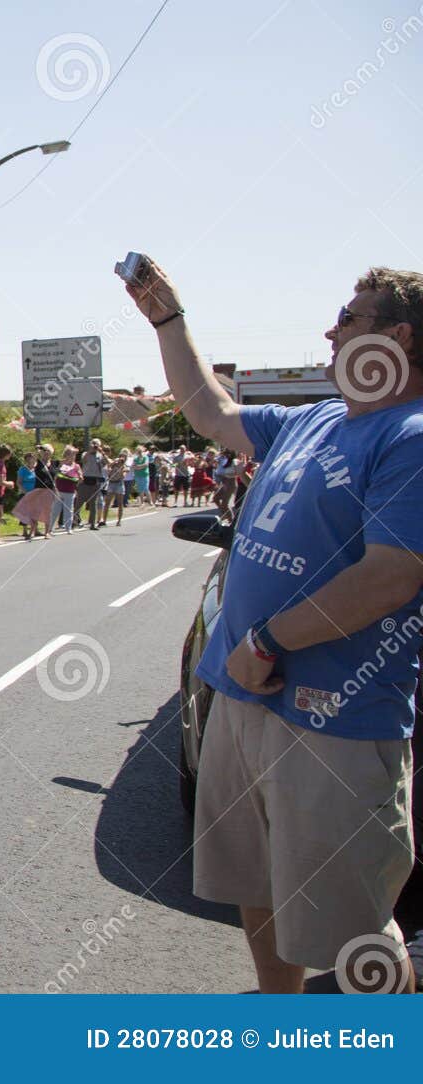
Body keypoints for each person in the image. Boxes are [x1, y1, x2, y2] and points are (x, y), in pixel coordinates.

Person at [127, 257, 423, 994]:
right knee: (257, 884)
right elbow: (211, 412)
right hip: (244, 700)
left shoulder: (410, 436)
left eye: (349, 319)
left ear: (401, 338)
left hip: (336, 720)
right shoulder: (317, 418)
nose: (331, 329)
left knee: (355, 929)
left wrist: (268, 640)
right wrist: (169, 320)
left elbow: (392, 575)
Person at [77, 438, 107, 529]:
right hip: (85, 480)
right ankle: (74, 520)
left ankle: (93, 524)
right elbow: (84, 460)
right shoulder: (86, 454)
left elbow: (105, 463)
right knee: (79, 502)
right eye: (94, 444)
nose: (95, 446)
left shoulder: (100, 455)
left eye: (97, 444)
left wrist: (102, 453)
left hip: (95, 480)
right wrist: (90, 450)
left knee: (93, 504)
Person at [52, 445, 81, 534]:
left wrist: (79, 478)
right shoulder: (61, 463)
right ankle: (50, 528)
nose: (73, 457)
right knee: (55, 510)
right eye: (71, 454)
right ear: (66, 455)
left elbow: (80, 477)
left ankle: (68, 528)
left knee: (69, 510)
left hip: (70, 491)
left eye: (74, 455)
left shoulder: (76, 466)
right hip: (59, 490)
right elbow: (55, 475)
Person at [34, 443, 59, 539]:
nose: (46, 453)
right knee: (36, 511)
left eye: (47, 451)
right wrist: (39, 450)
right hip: (39, 489)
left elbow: (55, 477)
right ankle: (34, 530)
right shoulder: (38, 462)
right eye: (44, 451)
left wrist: (55, 488)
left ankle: (47, 532)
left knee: (48, 511)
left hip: (49, 489)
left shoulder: (54, 463)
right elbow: (35, 457)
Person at [105, 448, 129, 527]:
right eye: (121, 457)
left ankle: (119, 520)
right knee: (107, 502)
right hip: (111, 483)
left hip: (119, 484)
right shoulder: (114, 464)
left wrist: (121, 468)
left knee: (120, 503)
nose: (122, 459)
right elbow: (108, 467)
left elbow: (123, 476)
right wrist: (115, 462)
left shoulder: (125, 467)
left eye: (124, 458)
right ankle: (104, 520)